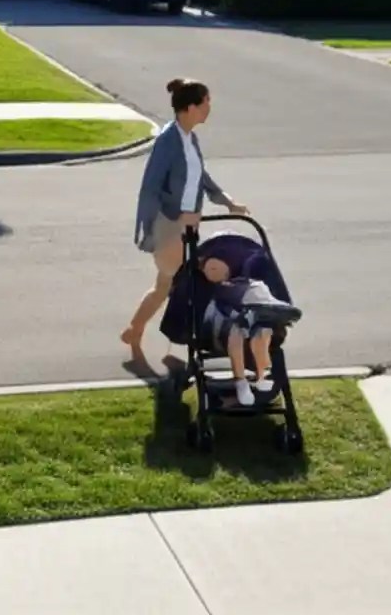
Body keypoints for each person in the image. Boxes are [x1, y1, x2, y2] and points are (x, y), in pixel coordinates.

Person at [122, 77, 248, 351]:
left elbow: (201, 177)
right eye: (205, 102)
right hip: (170, 227)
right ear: (190, 107)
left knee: (166, 285)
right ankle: (198, 341)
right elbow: (150, 188)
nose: (209, 107)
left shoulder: (189, 139)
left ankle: (135, 330)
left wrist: (226, 201)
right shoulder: (168, 141)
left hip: (186, 227)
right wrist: (177, 218)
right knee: (193, 280)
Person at [199, 256, 302, 406]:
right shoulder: (216, 291)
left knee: (260, 324)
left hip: (254, 329)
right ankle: (242, 382)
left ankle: (262, 309)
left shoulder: (250, 282)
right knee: (239, 325)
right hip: (223, 330)